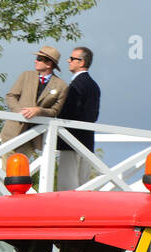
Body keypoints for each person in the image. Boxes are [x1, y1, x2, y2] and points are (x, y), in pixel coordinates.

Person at [0, 46, 70, 155]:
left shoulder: (62, 86)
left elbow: (55, 111)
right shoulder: (26, 75)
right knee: (6, 168)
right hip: (13, 131)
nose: (35, 61)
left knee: (19, 169)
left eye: (39, 58)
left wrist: (38, 110)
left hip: (35, 136)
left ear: (49, 64)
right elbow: (11, 96)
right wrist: (21, 112)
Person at [55, 46, 100, 190]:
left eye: (72, 58)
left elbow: (70, 112)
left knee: (67, 184)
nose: (68, 61)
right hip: (86, 142)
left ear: (81, 62)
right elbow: (93, 116)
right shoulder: (93, 85)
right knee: (83, 185)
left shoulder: (76, 85)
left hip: (71, 141)